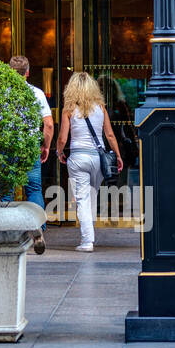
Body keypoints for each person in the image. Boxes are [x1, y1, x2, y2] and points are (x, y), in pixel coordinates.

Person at [55, 72, 121, 252]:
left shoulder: (68, 109)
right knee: (91, 198)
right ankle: (89, 236)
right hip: (97, 159)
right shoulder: (101, 107)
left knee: (83, 199)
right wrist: (118, 155)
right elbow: (109, 135)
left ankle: (87, 241)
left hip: (78, 159)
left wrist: (59, 152)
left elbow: (62, 138)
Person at [11, 56, 54, 254]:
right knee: (34, 189)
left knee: (6, 190)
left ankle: (10, 233)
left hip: (8, 146)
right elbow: (48, 124)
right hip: (29, 146)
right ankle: (38, 229)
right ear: (27, 72)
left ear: (9, 71)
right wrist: (45, 145)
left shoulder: (2, 93)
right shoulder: (36, 93)